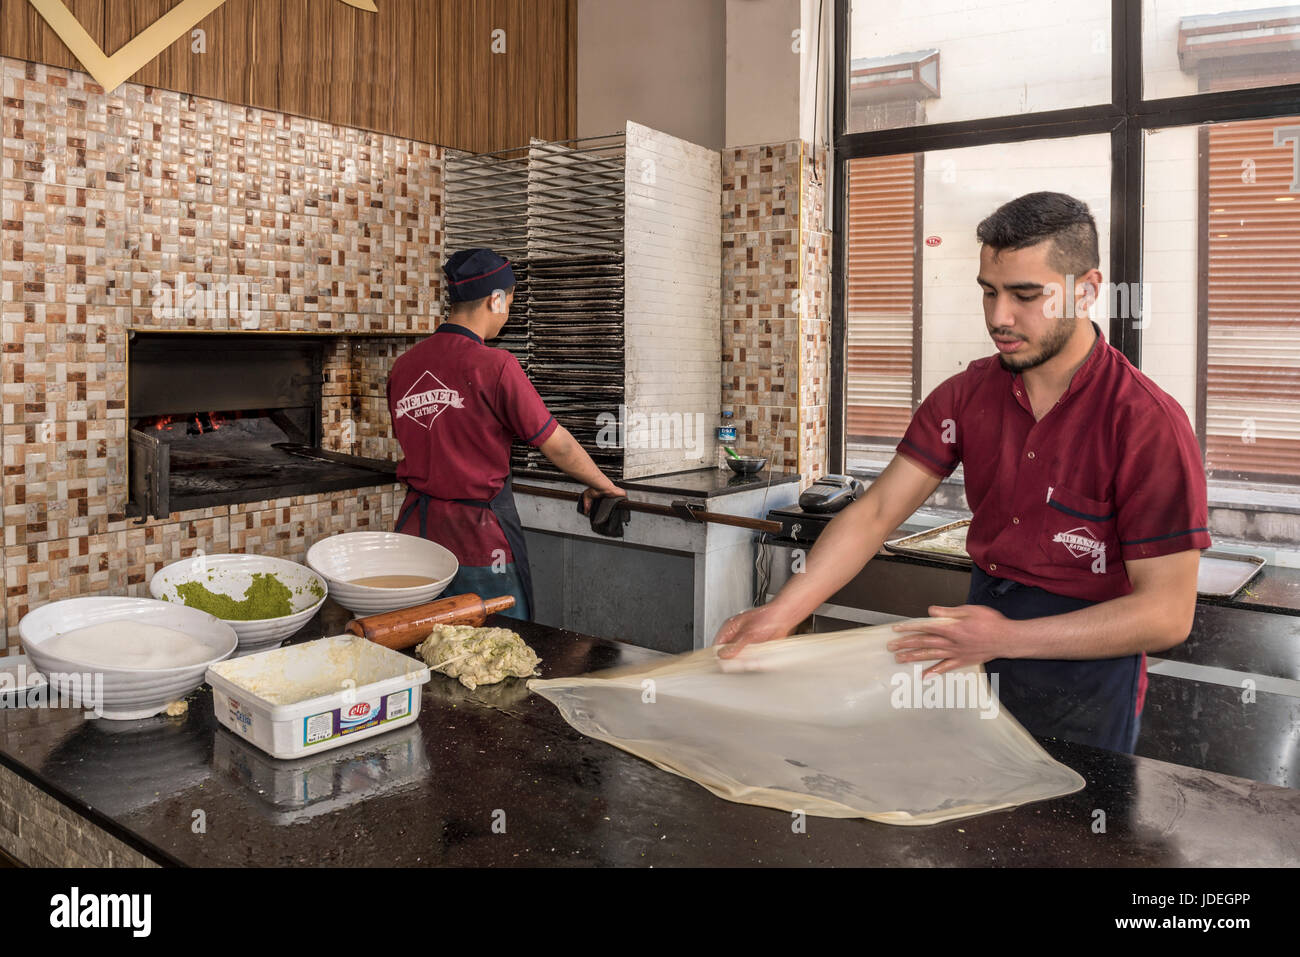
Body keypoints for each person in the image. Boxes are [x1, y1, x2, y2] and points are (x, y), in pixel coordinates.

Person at [715, 192, 1210, 754]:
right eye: (989, 292)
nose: (999, 317)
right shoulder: (965, 395)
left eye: (1026, 295)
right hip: (976, 648)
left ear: (1088, 290)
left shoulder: (1146, 423)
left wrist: (1010, 638)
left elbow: (1167, 614)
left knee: (1069, 838)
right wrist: (781, 612)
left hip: (1084, 682)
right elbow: (877, 511)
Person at [387, 248, 625, 621]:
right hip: (478, 539)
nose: (507, 313)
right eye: (510, 302)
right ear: (496, 299)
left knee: (425, 639)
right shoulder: (496, 366)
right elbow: (555, 442)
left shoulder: (404, 367)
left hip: (418, 533)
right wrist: (604, 485)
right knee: (499, 646)